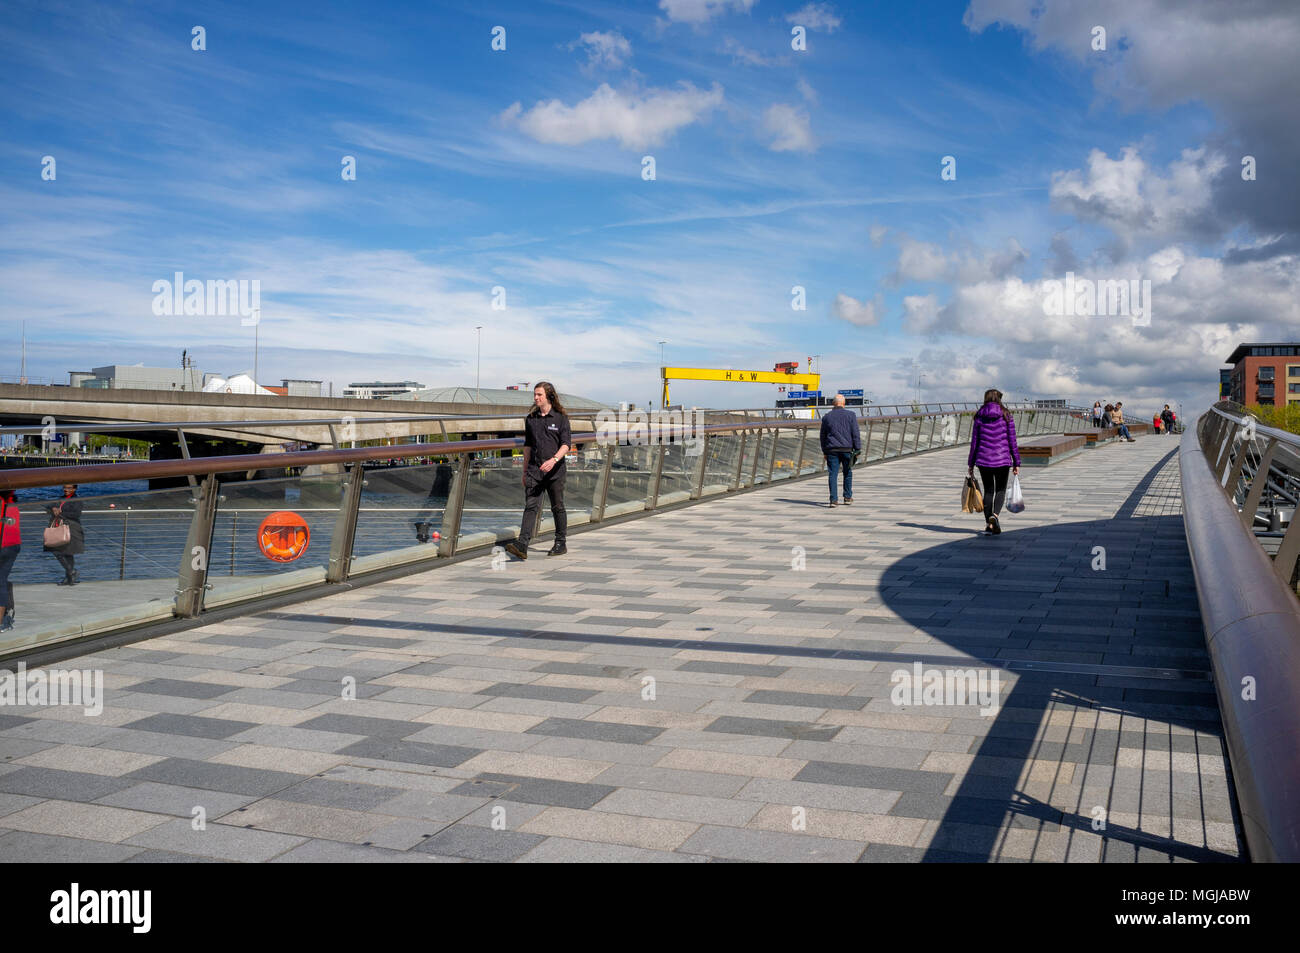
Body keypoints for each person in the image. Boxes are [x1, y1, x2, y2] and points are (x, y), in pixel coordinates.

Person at [505, 382, 570, 559]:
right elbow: (528, 446)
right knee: (531, 506)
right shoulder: (531, 419)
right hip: (534, 470)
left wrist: (554, 460)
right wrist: (524, 471)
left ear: (549, 396)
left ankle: (560, 542)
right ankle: (522, 544)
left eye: (539, 394)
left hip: (555, 471)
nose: (536, 398)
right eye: (535, 394)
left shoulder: (561, 418)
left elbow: (566, 445)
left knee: (557, 506)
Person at [967, 389, 1020, 536]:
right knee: (1000, 490)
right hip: (1003, 460)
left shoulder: (979, 416)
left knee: (988, 491)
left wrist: (971, 463)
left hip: (983, 460)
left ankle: (989, 525)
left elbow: (974, 443)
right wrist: (1016, 462)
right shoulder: (1006, 415)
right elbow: (1012, 441)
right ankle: (995, 516)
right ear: (999, 399)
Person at [819, 394, 861, 506]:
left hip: (831, 449)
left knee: (833, 474)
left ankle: (833, 500)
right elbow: (855, 433)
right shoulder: (851, 415)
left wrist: (824, 451)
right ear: (844, 403)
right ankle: (847, 497)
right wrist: (857, 449)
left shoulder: (827, 417)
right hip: (847, 449)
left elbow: (822, 436)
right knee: (847, 472)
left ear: (833, 403)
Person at [43, 483, 84, 585]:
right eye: (65, 487)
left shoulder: (77, 500)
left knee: (68, 553)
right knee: (57, 551)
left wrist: (60, 513)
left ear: (75, 489)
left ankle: (69, 576)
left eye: (69, 488)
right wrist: (53, 508)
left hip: (72, 528)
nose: (66, 490)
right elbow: (48, 505)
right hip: (60, 528)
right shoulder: (61, 498)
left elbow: (76, 514)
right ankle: (71, 573)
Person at [0, 490, 19, 631]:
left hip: (2, 545)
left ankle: (1, 621)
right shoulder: (13, 501)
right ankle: (4, 616)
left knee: (0, 582)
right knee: (2, 580)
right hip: (14, 545)